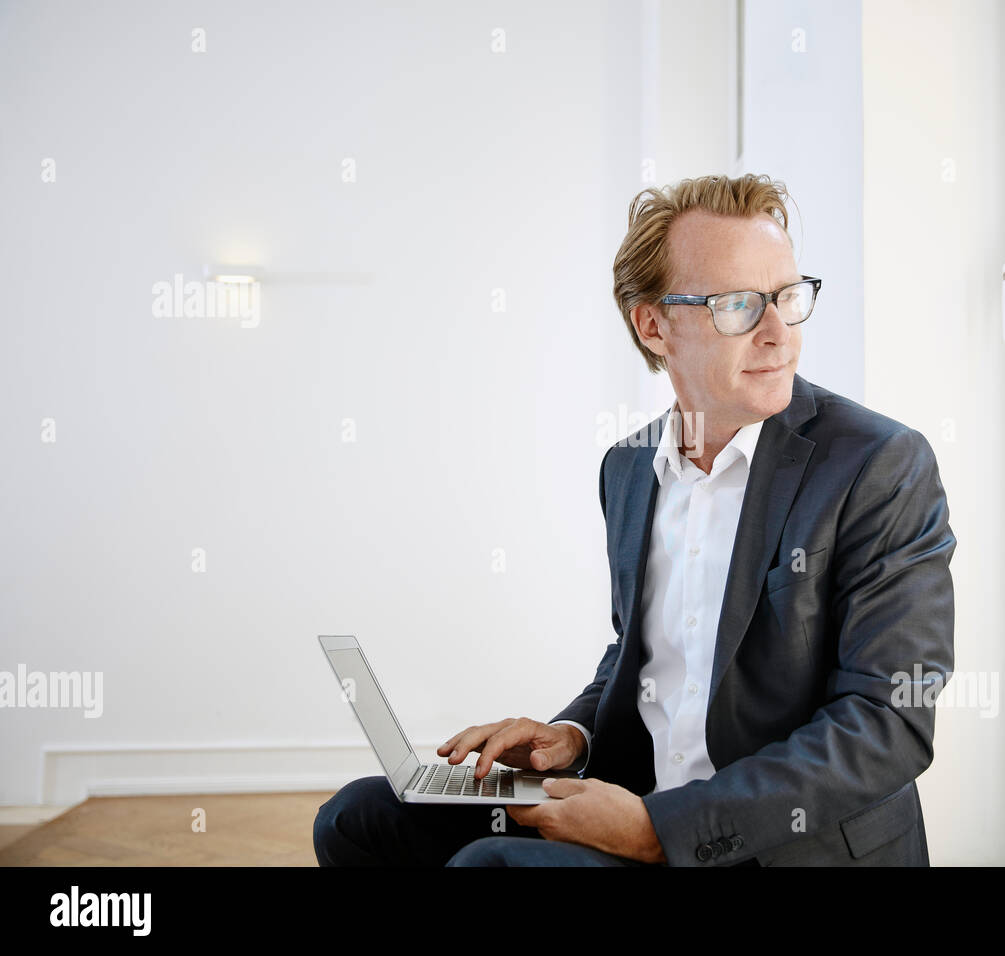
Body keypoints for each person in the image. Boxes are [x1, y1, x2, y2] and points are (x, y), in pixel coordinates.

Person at [314, 172, 956, 866]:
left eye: (788, 298)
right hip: (635, 798)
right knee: (356, 818)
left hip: (768, 841)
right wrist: (573, 738)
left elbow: (886, 722)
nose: (779, 334)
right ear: (654, 325)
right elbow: (643, 654)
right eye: (739, 305)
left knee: (491, 866)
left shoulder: (879, 465)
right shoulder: (629, 467)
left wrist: (661, 828)